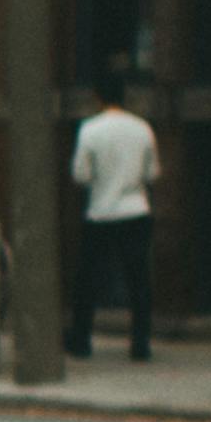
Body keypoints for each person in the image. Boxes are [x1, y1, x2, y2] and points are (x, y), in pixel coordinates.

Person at [68, 87, 162, 361]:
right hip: (135, 210)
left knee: (88, 279)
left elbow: (81, 174)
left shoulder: (90, 130)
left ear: (98, 98)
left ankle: (81, 339)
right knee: (139, 280)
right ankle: (140, 344)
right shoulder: (142, 128)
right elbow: (152, 172)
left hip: (101, 212)